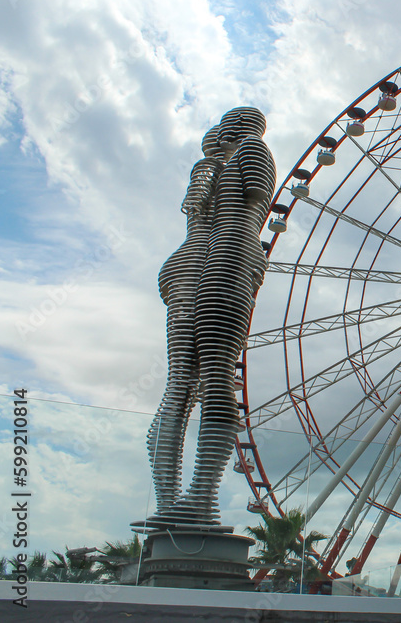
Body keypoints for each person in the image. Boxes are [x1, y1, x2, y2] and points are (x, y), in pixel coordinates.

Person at [153, 107, 276, 526]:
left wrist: (215, 168)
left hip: (231, 251)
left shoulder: (253, 150)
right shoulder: (210, 166)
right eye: (224, 124)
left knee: (216, 369)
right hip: (190, 258)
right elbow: (192, 209)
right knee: (179, 383)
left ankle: (201, 496)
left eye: (235, 124)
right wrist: (207, 170)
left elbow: (255, 196)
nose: (225, 130)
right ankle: (168, 501)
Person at [145, 126, 223, 519]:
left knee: (181, 384)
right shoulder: (224, 163)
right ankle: (195, 502)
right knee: (213, 378)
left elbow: (192, 205)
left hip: (185, 261)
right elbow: (201, 203)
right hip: (207, 262)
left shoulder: (209, 165)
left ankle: (172, 503)